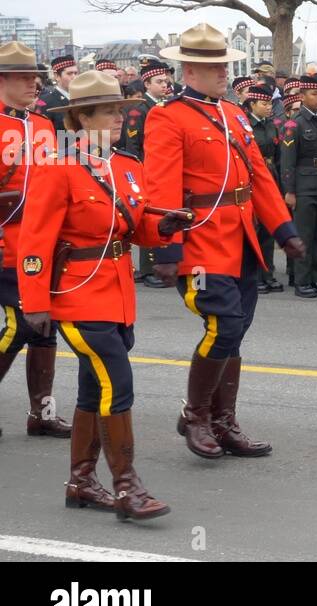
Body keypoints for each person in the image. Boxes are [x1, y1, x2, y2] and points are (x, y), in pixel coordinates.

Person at [18, 70, 191, 519]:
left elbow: (135, 229)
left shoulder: (126, 166)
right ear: (79, 117)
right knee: (118, 383)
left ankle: (80, 482)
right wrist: (34, 301)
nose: (120, 117)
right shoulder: (57, 167)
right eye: (108, 111)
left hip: (117, 294)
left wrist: (162, 228)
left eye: (120, 109)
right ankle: (127, 488)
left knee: (93, 390)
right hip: (76, 294)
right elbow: (34, 241)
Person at [145, 23, 307, 459]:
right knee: (224, 325)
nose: (224, 73)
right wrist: (166, 248)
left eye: (225, 65)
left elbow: (259, 178)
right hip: (199, 240)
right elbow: (161, 185)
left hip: (240, 240)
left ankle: (223, 420)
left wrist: (284, 230)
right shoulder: (167, 116)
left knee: (236, 332)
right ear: (190, 70)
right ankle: (196, 415)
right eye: (216, 66)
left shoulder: (234, 114)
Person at [0, 41, 72, 440]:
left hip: (40, 245)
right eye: (26, 77)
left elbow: (50, 184)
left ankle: (41, 412)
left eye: (37, 77)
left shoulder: (42, 125)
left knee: (45, 326)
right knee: (19, 327)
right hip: (5, 242)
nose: (35, 84)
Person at [280, 73, 317, 299]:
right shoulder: (295, 124)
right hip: (303, 187)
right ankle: (301, 281)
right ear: (302, 96)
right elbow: (287, 162)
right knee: (304, 234)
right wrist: (290, 191)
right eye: (314, 94)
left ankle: (315, 276)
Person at [124, 60, 174, 289]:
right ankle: (147, 268)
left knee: (159, 215)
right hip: (146, 169)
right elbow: (134, 145)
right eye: (159, 81)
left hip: (161, 168)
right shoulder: (140, 109)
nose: (165, 85)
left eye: (166, 81)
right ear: (147, 84)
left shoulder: (163, 106)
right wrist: (140, 171)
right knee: (147, 215)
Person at [243, 84, 284, 294]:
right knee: (255, 232)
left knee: (269, 230)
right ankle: (255, 276)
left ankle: (267, 273)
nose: (269, 107)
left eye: (270, 103)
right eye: (264, 103)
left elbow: (278, 157)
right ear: (252, 104)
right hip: (251, 181)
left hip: (270, 177)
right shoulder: (245, 126)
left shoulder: (271, 125)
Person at [37, 55, 78, 132]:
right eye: (69, 73)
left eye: (76, 73)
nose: (74, 77)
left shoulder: (81, 98)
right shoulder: (45, 102)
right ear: (57, 76)